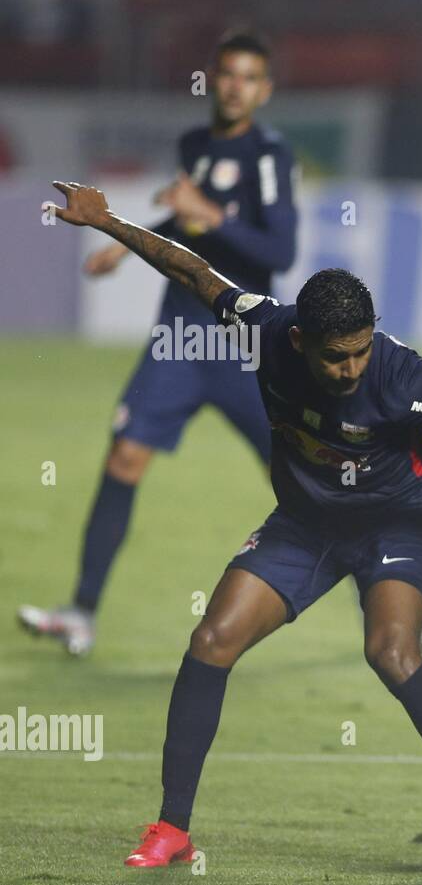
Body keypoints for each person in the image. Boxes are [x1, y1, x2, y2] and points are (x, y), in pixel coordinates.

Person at [47, 178, 422, 876]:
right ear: (300, 339)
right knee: (211, 640)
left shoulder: (399, 377)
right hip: (306, 522)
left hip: (398, 517)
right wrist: (107, 220)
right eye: (337, 355)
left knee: (392, 654)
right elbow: (189, 266)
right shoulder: (266, 328)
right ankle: (172, 827)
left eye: (360, 350)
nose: (350, 367)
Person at [20, 32, 298, 654]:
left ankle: (382, 593)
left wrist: (210, 213)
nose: (235, 86)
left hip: (240, 344)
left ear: (264, 90)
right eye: (227, 73)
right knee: (124, 458)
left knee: (299, 473)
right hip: (178, 336)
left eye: (250, 77)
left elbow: (279, 252)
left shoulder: (269, 158)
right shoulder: (196, 145)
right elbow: (185, 218)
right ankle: (81, 611)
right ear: (215, 78)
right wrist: (125, 246)